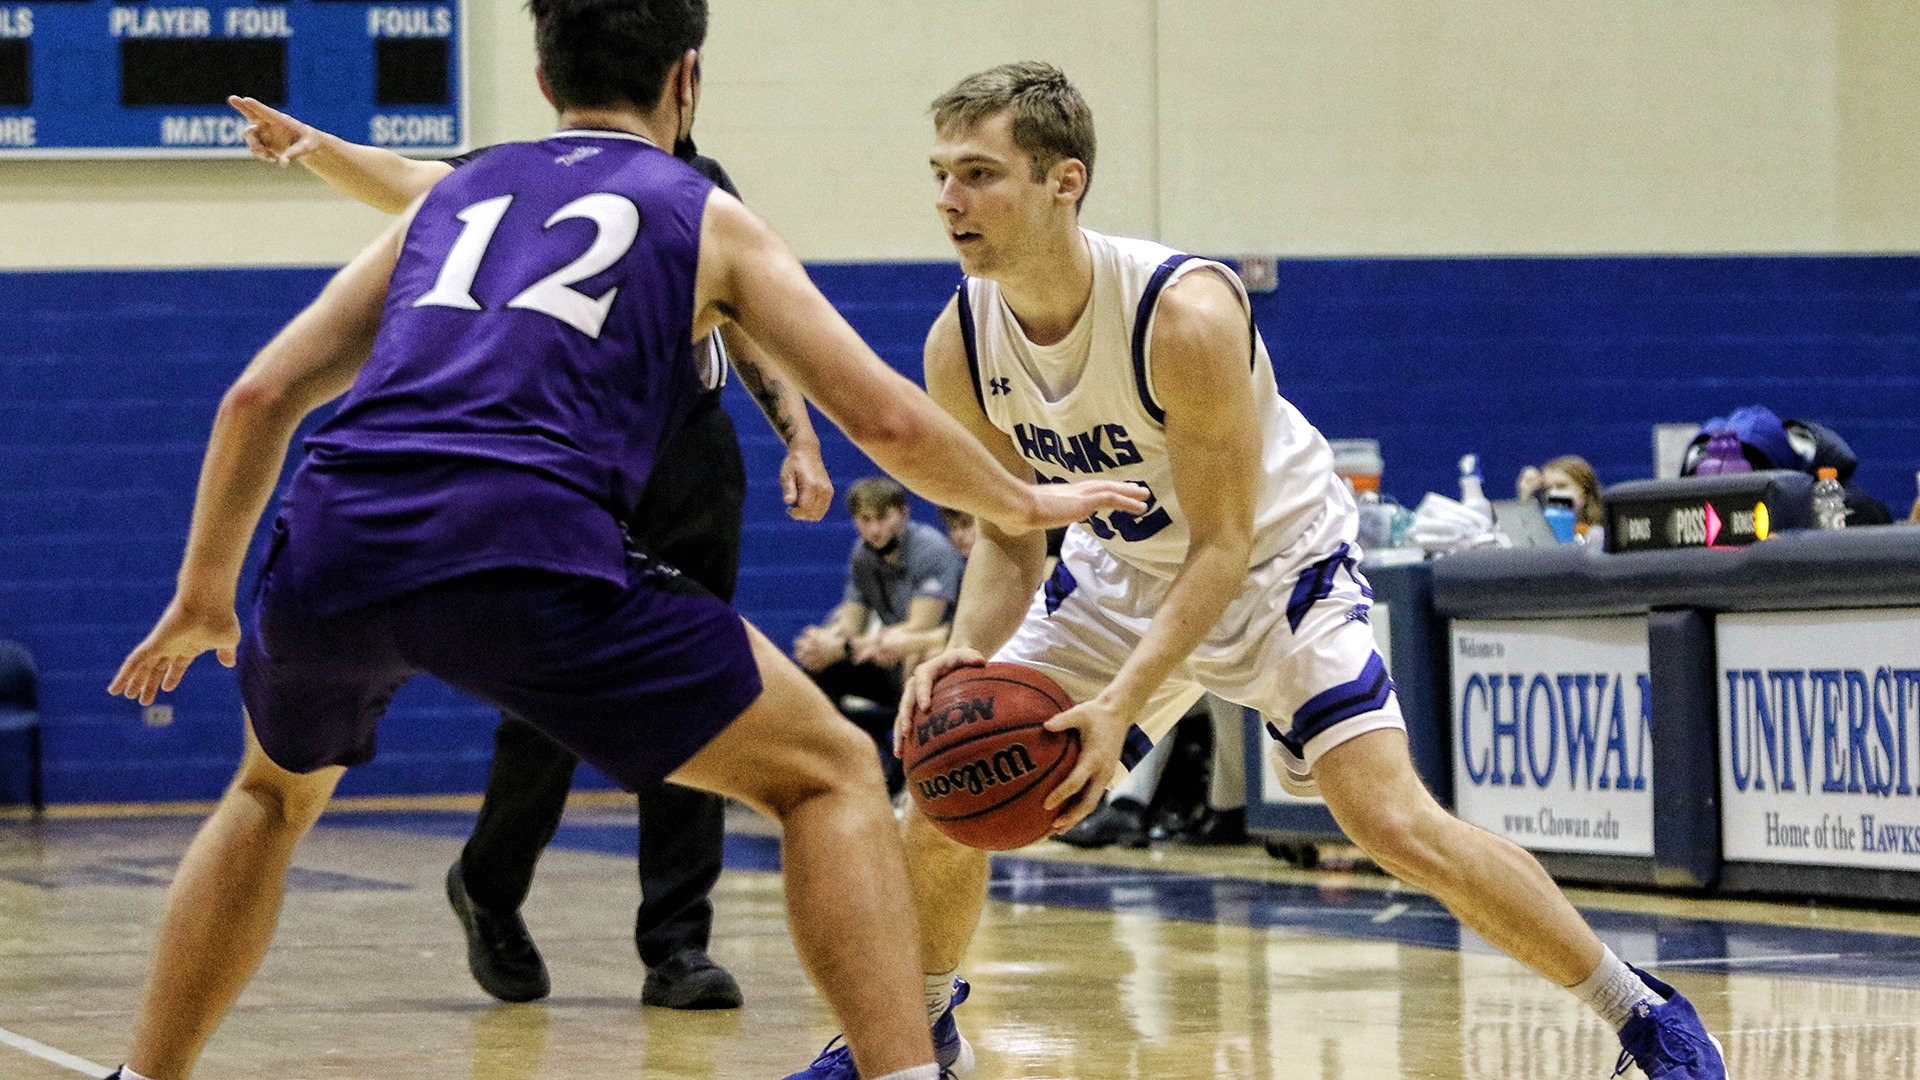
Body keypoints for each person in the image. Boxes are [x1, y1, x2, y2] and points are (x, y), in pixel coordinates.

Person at [102, 7, 1149, 1077]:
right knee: (829, 773)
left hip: (338, 533)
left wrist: (203, 595)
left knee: (269, 796)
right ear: (685, 79)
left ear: (546, 76)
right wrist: (1019, 502)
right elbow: (879, 420)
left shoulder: (461, 190)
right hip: (523, 537)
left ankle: (143, 1074)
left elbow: (260, 394)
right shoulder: (704, 214)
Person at [785, 61, 1727, 1080]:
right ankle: (914, 1037)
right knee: (937, 797)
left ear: (1065, 182)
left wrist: (1124, 711)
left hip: (1278, 564)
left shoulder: (1182, 313)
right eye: (941, 175)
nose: (949, 202)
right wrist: (965, 653)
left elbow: (1225, 547)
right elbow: (1012, 532)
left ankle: (1644, 1014)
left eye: (979, 174)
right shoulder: (960, 343)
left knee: (1392, 822)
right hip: (1123, 570)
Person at [230, 58, 832, 1011]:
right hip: (567, 451)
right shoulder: (522, 175)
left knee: (710, 692)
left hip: (688, 456)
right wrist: (313, 147)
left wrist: (797, 435)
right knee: (543, 706)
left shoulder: (702, 188)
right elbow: (408, 181)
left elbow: (757, 330)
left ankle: (678, 945)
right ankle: (492, 887)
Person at [793, 477, 964, 767]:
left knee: (917, 656)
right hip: (886, 654)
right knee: (818, 664)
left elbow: (919, 627)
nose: (873, 529)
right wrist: (822, 641)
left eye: (882, 518)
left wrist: (847, 646)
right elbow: (850, 622)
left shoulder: (930, 549)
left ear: (904, 514)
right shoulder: (863, 555)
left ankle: (910, 771)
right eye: (865, 519)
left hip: (930, 651)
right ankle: (832, 766)